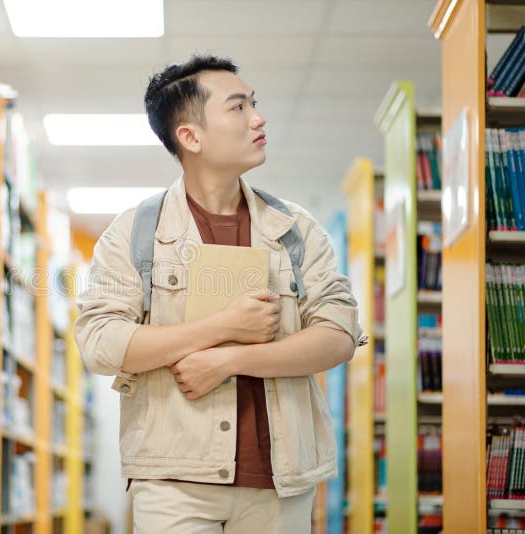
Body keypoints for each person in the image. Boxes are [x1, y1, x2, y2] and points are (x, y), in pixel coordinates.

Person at [74, 54, 365, 534]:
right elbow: (100, 343)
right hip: (174, 482)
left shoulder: (295, 230)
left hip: (280, 482)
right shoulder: (135, 232)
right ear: (190, 136)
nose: (258, 117)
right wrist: (223, 329)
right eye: (238, 107)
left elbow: (338, 336)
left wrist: (228, 360)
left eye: (255, 103)